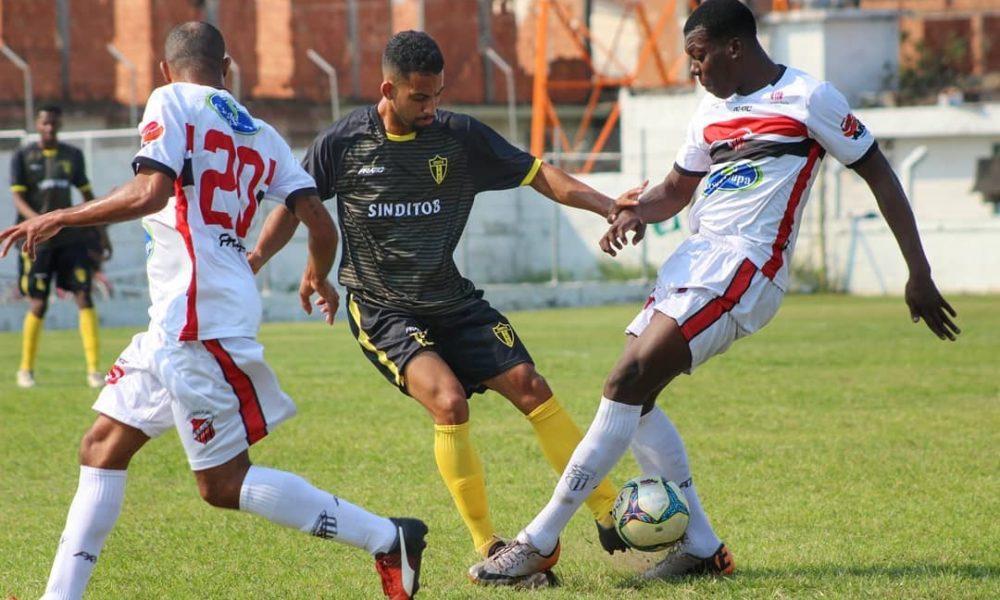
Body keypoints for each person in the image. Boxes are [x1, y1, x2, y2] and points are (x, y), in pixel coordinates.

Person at [468, 0, 960, 586]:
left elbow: (879, 172)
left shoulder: (810, 99)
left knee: (625, 380)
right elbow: (676, 190)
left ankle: (538, 541)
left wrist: (918, 272)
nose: (693, 69)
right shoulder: (709, 111)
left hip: (747, 267)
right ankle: (701, 547)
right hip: (694, 261)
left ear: (735, 47)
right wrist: (633, 211)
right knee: (637, 400)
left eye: (699, 56)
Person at [0, 22, 427, 600]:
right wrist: (315, 274)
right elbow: (319, 224)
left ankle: (385, 536)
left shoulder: (170, 100)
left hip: (196, 315)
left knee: (223, 483)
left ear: (164, 70)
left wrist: (61, 217)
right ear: (227, 69)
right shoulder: (263, 133)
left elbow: (150, 192)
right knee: (100, 447)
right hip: (182, 316)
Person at [249, 30, 641, 580]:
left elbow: (539, 174)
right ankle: (489, 543)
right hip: (382, 308)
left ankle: (609, 511)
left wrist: (607, 207)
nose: (431, 107)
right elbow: (296, 206)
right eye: (419, 97)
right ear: (388, 89)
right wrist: (254, 261)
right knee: (450, 403)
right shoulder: (343, 143)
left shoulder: (459, 137)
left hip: (451, 298)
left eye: (437, 95)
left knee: (532, 386)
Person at [10, 105, 112, 389]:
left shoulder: (73, 156)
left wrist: (101, 232)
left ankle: (94, 370)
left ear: (59, 124)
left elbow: (88, 195)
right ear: (37, 124)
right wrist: (38, 222)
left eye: (54, 123)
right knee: (38, 302)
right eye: (45, 123)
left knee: (84, 296)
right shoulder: (22, 157)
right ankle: (26, 370)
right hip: (38, 243)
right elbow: (18, 199)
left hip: (70, 239)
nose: (49, 128)